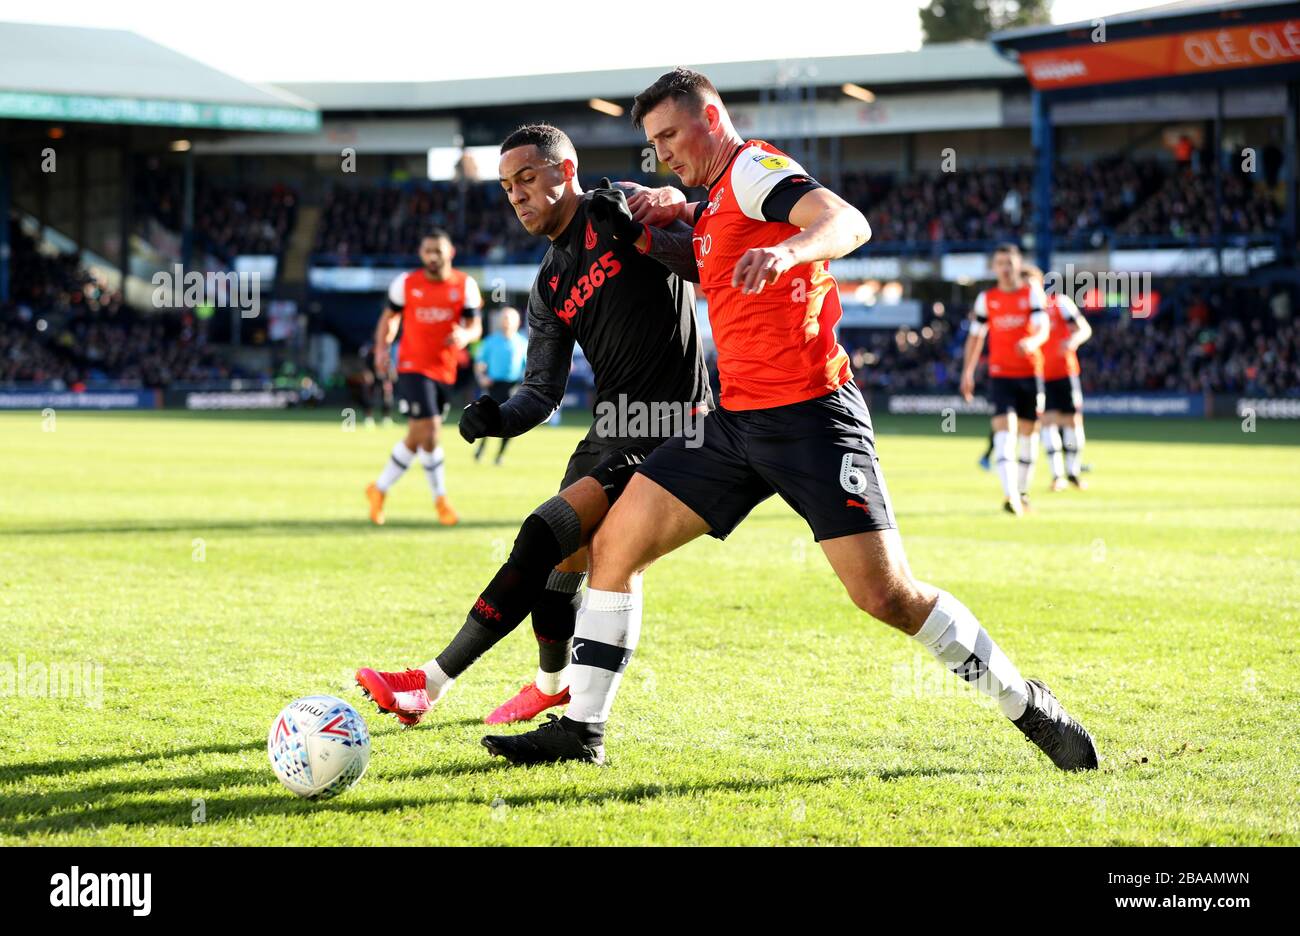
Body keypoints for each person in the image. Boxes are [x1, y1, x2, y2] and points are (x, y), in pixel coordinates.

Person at [479, 67, 1098, 772]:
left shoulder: (753, 169)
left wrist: (788, 250)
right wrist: (663, 226)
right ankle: (582, 729)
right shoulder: (713, 202)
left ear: (711, 117)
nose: (664, 154)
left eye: (671, 135)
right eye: (652, 143)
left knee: (885, 594)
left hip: (812, 417)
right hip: (735, 419)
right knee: (614, 547)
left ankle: (1025, 702)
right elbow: (703, 255)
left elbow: (847, 221)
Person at [356, 123, 711, 726]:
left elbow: (707, 258)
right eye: (506, 186)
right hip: (609, 433)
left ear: (565, 171)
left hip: (672, 430)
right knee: (555, 572)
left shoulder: (621, 206)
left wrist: (654, 227)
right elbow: (542, 392)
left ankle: (428, 684)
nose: (516, 194)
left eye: (527, 178)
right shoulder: (548, 284)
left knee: (542, 532)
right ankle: (551, 685)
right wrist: (498, 417)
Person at [365, 230, 482, 526]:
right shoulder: (405, 284)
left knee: (424, 439)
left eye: (438, 251)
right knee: (429, 431)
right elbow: (389, 318)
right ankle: (441, 500)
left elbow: (475, 326)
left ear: (450, 252)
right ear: (421, 253)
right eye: (428, 250)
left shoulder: (464, 285)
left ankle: (378, 489)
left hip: (445, 370)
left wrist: (465, 335)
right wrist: (382, 349)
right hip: (412, 367)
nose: (433, 256)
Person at [960, 244, 1050, 515]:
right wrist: (968, 371)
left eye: (1009, 263)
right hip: (1000, 375)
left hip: (1030, 373)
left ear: (1017, 265)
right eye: (1000, 263)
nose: (1005, 268)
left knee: (1028, 435)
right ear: (994, 267)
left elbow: (1043, 326)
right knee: (1004, 432)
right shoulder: (986, 299)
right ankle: (1010, 496)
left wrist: (1033, 341)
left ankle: (1022, 493)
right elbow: (976, 336)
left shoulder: (1031, 293)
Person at [1025, 264, 1091, 491]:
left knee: (1073, 421)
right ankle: (1057, 475)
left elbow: (1084, 329)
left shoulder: (1059, 303)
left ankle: (1073, 471)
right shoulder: (1025, 311)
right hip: (1041, 375)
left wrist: (1074, 340)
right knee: (1048, 423)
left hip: (1065, 371)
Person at [472, 306, 528, 465]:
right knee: (488, 419)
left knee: (509, 421)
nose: (506, 322)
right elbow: (479, 364)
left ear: (517, 322)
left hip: (513, 387)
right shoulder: (490, 341)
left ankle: (500, 455)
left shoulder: (522, 343)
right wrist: (481, 377)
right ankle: (481, 448)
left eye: (510, 319)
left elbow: (528, 367)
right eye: (504, 318)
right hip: (494, 385)